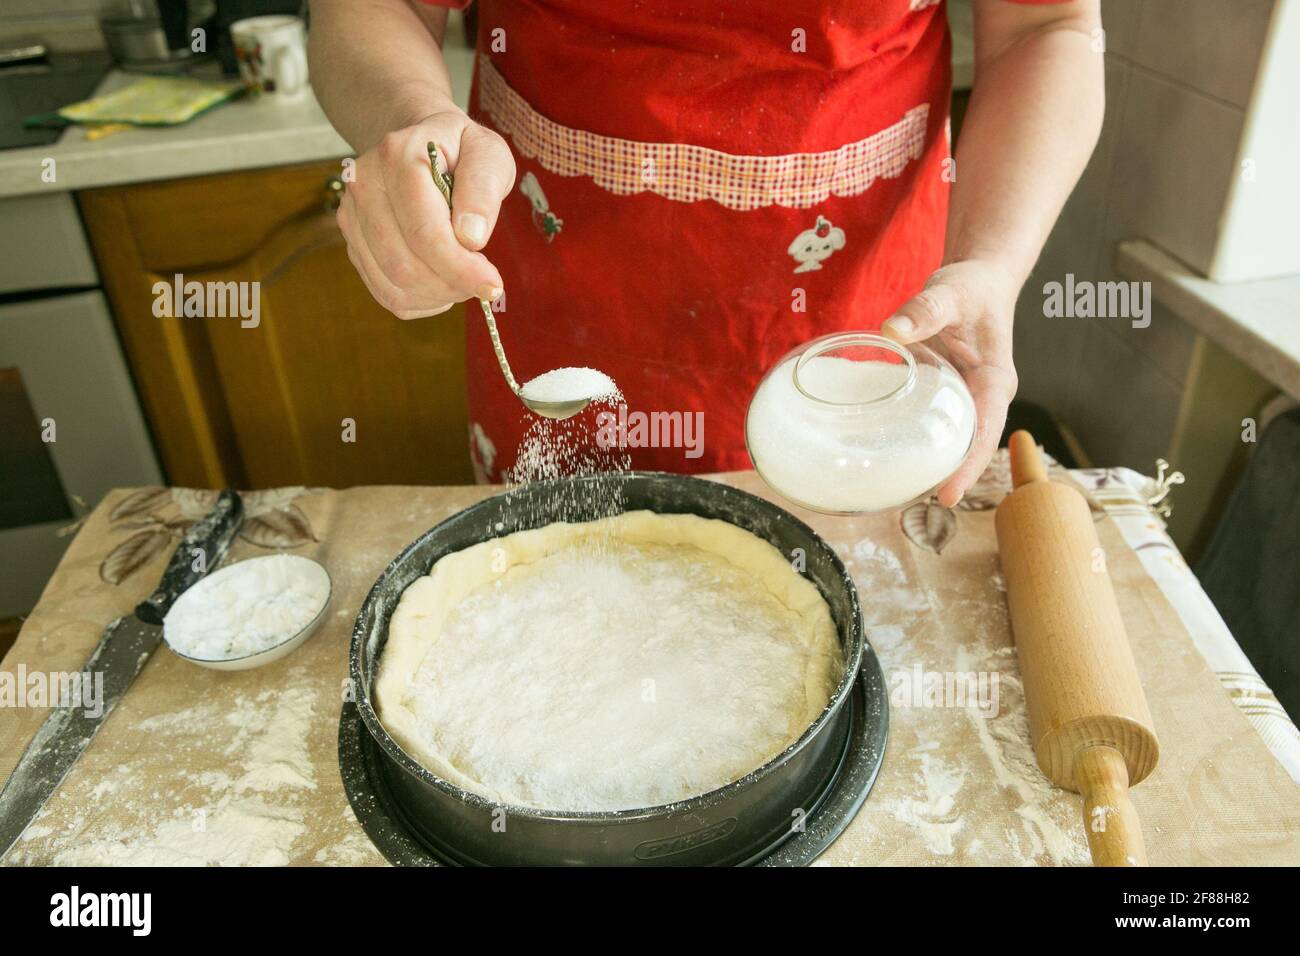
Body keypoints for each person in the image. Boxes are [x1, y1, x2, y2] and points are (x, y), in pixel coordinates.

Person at [309, 0, 1103, 504]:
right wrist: (409, 116)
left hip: (858, 333)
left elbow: (1045, 25)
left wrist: (994, 263)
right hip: (560, 308)